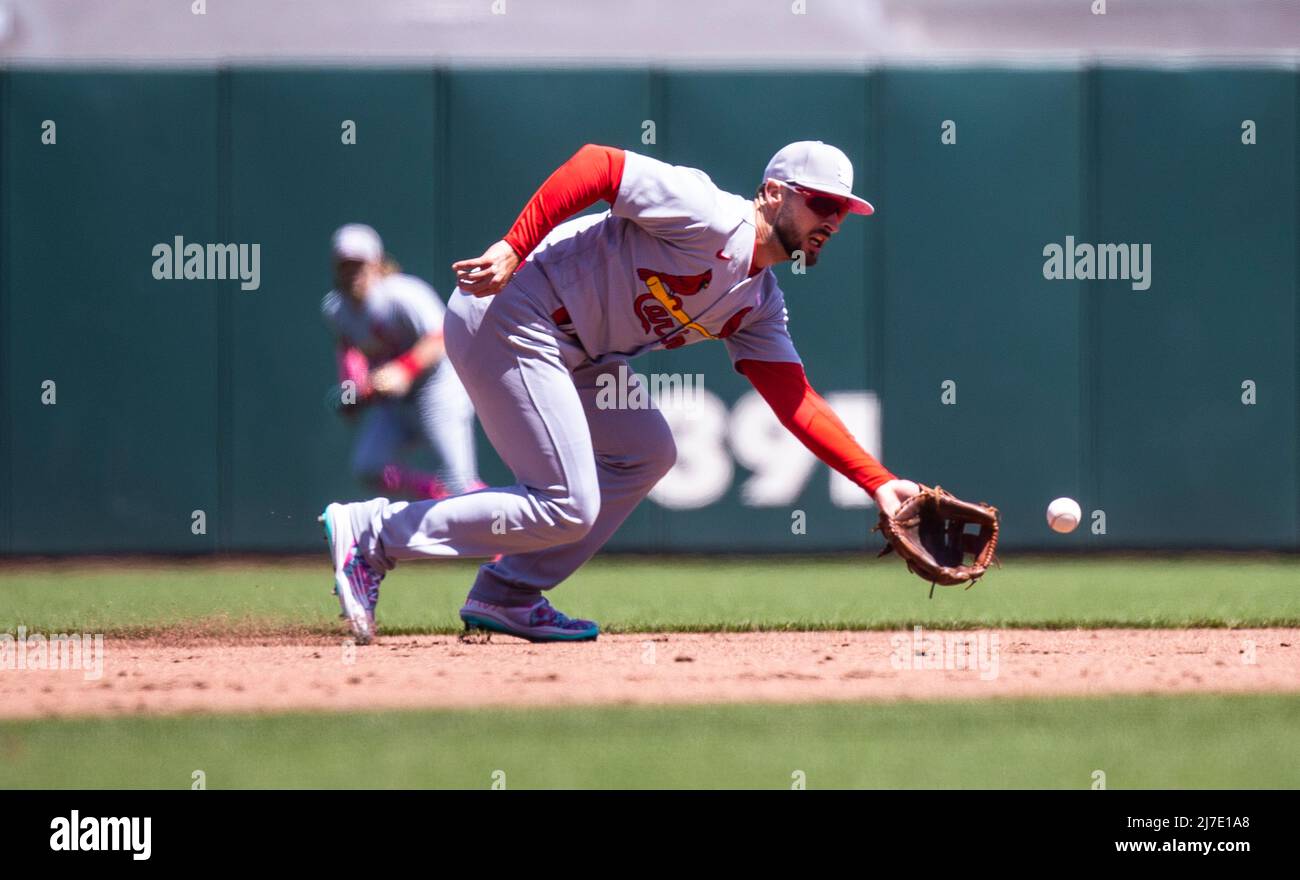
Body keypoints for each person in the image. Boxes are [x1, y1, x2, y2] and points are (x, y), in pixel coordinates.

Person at [319, 144, 921, 645]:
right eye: (822, 203)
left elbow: (796, 400)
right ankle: (371, 537)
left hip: (577, 352)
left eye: (841, 212)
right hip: (514, 313)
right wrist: (514, 244)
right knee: (566, 504)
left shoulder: (758, 303)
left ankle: (509, 591)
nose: (833, 221)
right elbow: (599, 165)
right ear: (774, 193)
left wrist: (877, 481)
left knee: (648, 450)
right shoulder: (708, 213)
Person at [321, 223, 483, 504]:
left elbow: (441, 337)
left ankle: (506, 538)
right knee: (368, 467)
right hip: (395, 401)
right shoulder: (336, 308)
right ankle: (434, 492)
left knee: (460, 482)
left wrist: (404, 368)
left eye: (358, 264)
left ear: (376, 263)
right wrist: (352, 393)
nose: (352, 273)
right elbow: (350, 353)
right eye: (345, 266)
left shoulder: (402, 294)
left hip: (437, 387)